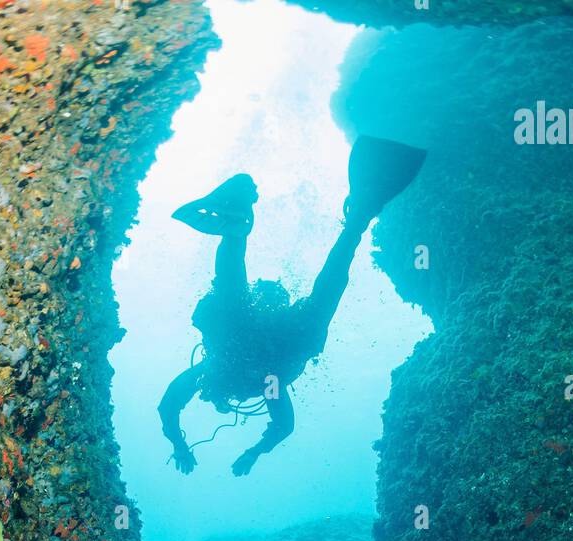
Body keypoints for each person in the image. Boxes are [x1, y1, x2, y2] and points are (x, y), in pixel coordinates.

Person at [159, 137, 426, 476]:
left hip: (275, 341)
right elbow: (169, 405)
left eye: (217, 401)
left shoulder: (217, 370)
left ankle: (355, 223)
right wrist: (250, 452)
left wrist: (217, 449)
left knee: (303, 306)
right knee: (235, 300)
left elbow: (170, 404)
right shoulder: (239, 375)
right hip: (269, 338)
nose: (220, 401)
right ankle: (237, 230)